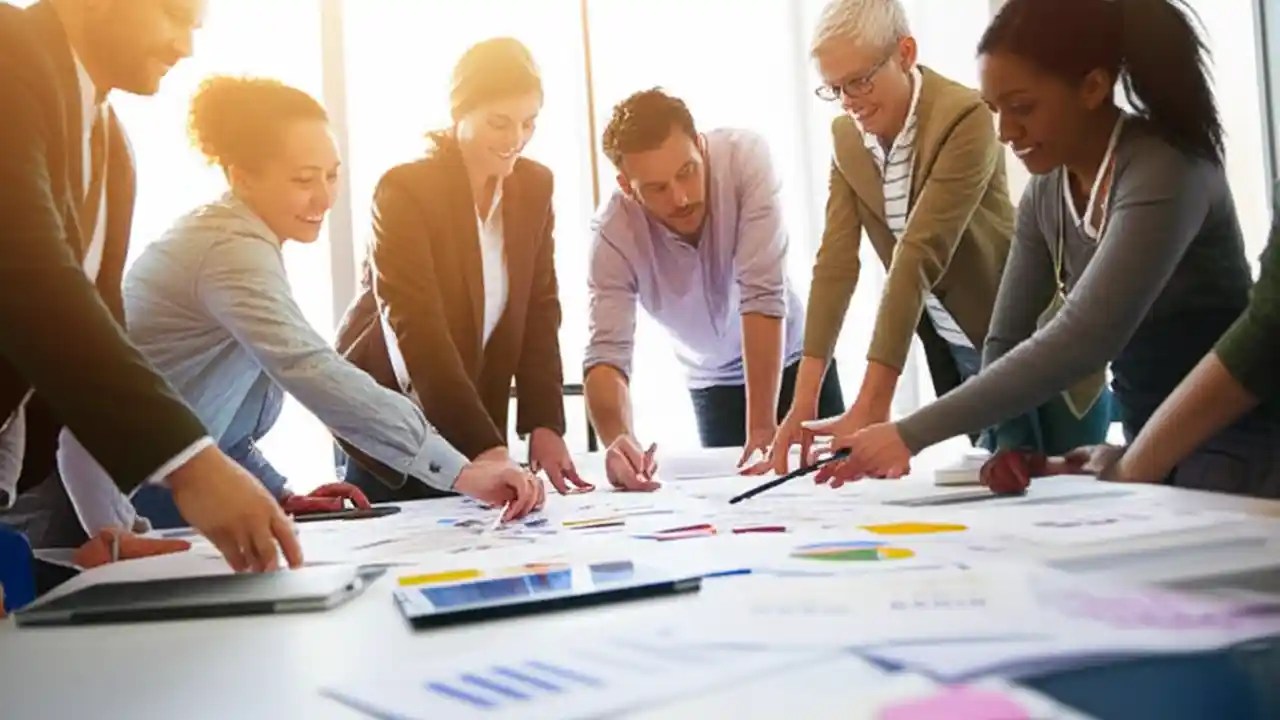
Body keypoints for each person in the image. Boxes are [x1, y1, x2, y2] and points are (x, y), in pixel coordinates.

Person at [56, 76, 542, 533]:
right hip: (94, 496)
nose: (325, 198)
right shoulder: (229, 251)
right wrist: (461, 471)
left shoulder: (250, 244)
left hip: (144, 480)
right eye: (304, 179)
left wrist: (278, 493)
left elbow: (210, 423)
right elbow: (310, 369)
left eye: (332, 176)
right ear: (241, 177)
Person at [813, 0, 1255, 492]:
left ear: (1092, 87)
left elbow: (1085, 336)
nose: (1004, 132)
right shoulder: (1048, 192)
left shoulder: (1164, 169)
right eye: (995, 110)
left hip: (1234, 446)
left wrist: (909, 434)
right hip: (1148, 440)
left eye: (1022, 108)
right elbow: (1004, 339)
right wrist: (1009, 442)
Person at [0, 0, 300, 573]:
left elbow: (85, 347)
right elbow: (26, 276)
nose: (183, 46)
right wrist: (194, 466)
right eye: (171, 14)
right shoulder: (8, 49)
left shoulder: (111, 146)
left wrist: (108, 524)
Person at [757, 0, 1020, 475]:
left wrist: (871, 405)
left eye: (860, 80)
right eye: (836, 88)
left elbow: (918, 256)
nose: (850, 101)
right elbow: (835, 265)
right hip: (954, 352)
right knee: (993, 494)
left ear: (905, 53)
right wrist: (802, 405)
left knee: (1046, 501)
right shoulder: (847, 138)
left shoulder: (967, 117)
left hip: (1023, 347)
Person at [336, 38, 585, 501]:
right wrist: (488, 450)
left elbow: (539, 309)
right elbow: (417, 329)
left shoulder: (533, 188)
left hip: (474, 426)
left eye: (528, 123)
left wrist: (544, 423)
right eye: (498, 122)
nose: (515, 138)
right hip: (396, 428)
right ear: (459, 112)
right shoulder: (404, 192)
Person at [584, 88, 844, 489]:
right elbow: (607, 356)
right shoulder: (612, 235)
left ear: (701, 146)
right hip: (711, 380)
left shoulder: (746, 159)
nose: (681, 198)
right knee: (738, 517)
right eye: (656, 188)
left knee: (833, 496)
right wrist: (620, 441)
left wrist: (761, 426)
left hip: (792, 357)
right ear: (625, 184)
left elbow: (762, 292)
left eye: (687, 171)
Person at [1054, 186, 1280, 498]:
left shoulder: (1172, 174)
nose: (1008, 134)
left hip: (1226, 452)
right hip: (1167, 445)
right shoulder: (1048, 193)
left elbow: (1267, 331)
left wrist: (1133, 466)